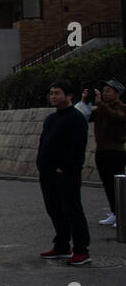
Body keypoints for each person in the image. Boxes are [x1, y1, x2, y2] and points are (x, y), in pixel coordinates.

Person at [38, 80, 91, 265]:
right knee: (54, 210)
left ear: (69, 96)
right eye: (51, 93)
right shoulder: (51, 118)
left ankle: (81, 250)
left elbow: (77, 147)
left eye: (57, 93)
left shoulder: (76, 118)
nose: (53, 96)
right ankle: (62, 245)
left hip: (66, 174)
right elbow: (44, 142)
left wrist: (64, 168)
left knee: (72, 211)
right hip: (47, 173)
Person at [76, 80, 126, 228]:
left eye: (108, 91)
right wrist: (84, 101)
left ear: (118, 93)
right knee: (108, 184)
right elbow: (83, 117)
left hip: (116, 151)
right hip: (101, 150)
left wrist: (101, 105)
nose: (105, 94)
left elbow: (116, 117)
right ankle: (114, 212)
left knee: (118, 184)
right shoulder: (101, 109)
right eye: (103, 91)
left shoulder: (122, 108)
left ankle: (122, 214)